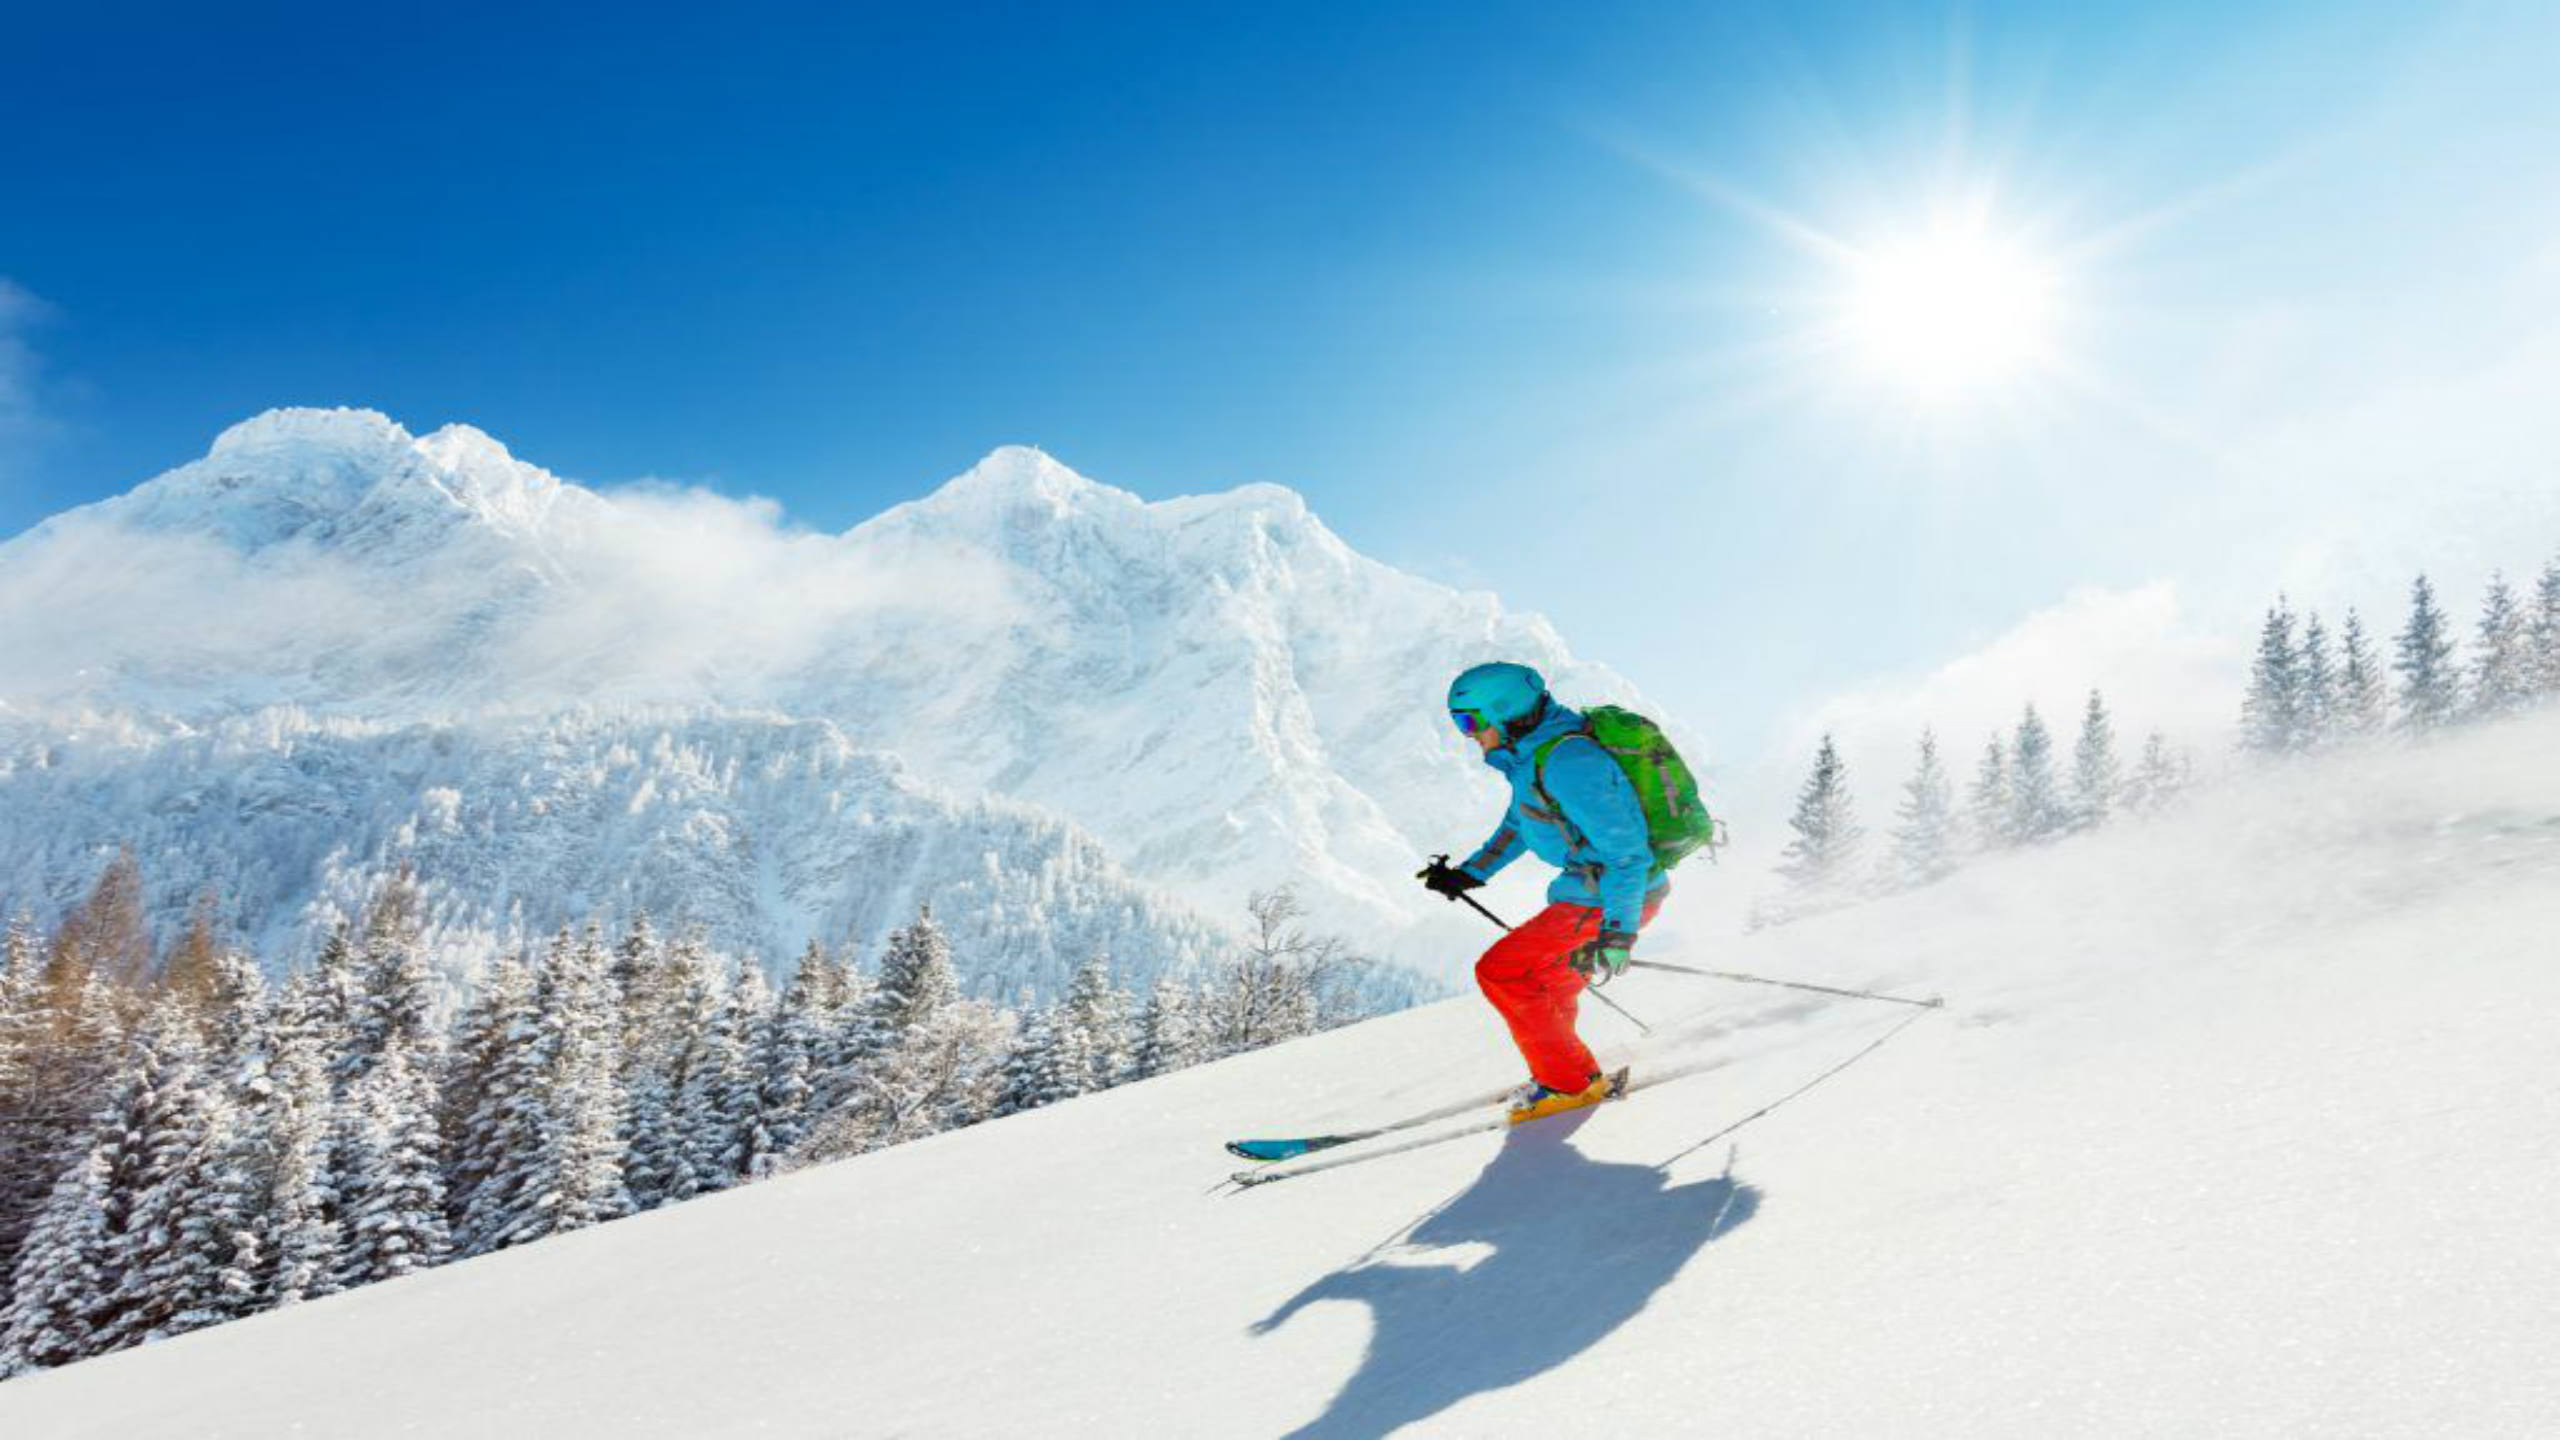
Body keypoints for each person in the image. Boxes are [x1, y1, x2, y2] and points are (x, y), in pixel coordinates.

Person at [1421, 661, 1667, 1123]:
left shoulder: (1571, 762)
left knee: (1502, 971)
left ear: (1507, 712)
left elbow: (1628, 853)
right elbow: (1521, 823)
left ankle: (1568, 1084)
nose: (1467, 734)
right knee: (1551, 982)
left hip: (1607, 897)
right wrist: (1469, 873)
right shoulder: (1533, 756)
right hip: (1596, 893)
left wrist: (1618, 931)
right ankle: (1568, 1072)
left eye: (1470, 721)